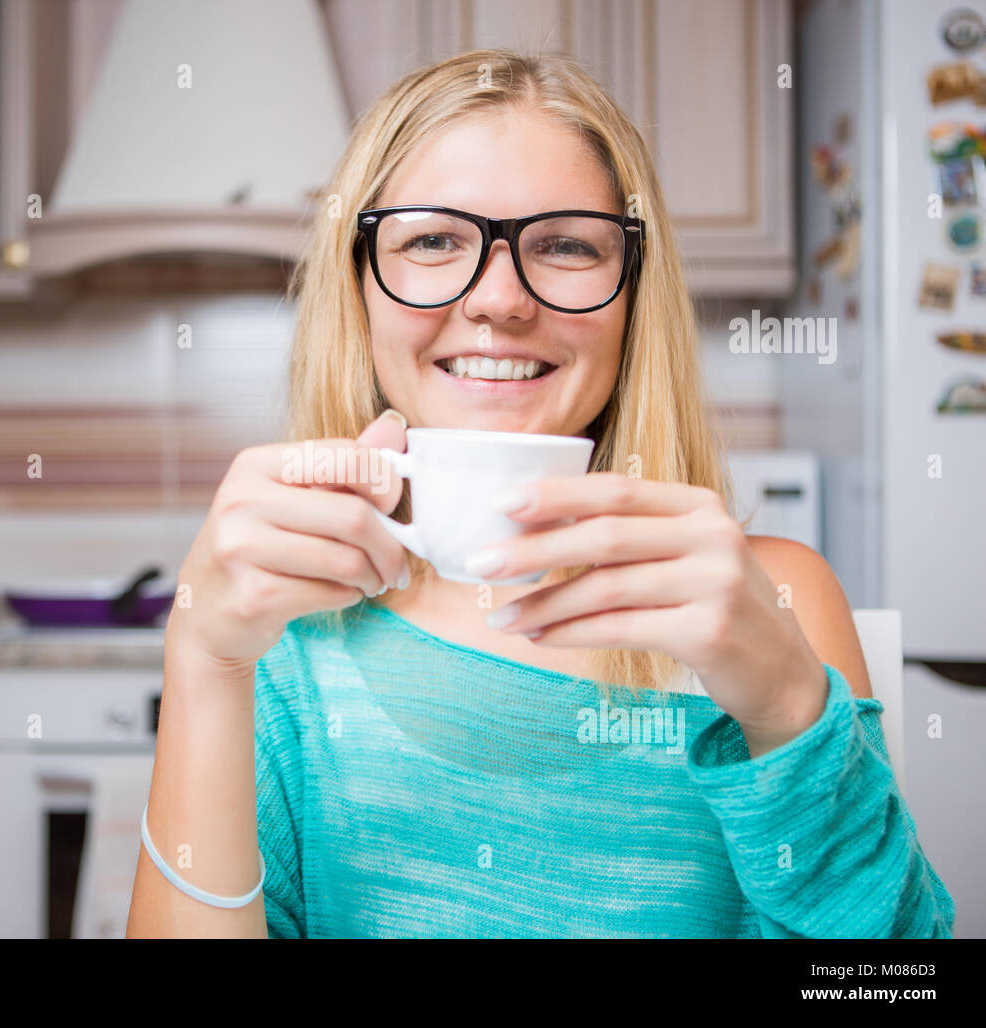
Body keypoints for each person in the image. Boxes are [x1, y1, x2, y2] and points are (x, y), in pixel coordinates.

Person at [127, 49, 955, 938]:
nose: (498, 298)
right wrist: (203, 662)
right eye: (433, 240)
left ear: (635, 294)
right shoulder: (275, 628)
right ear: (359, 283)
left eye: (564, 245)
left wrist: (790, 710)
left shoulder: (767, 606)